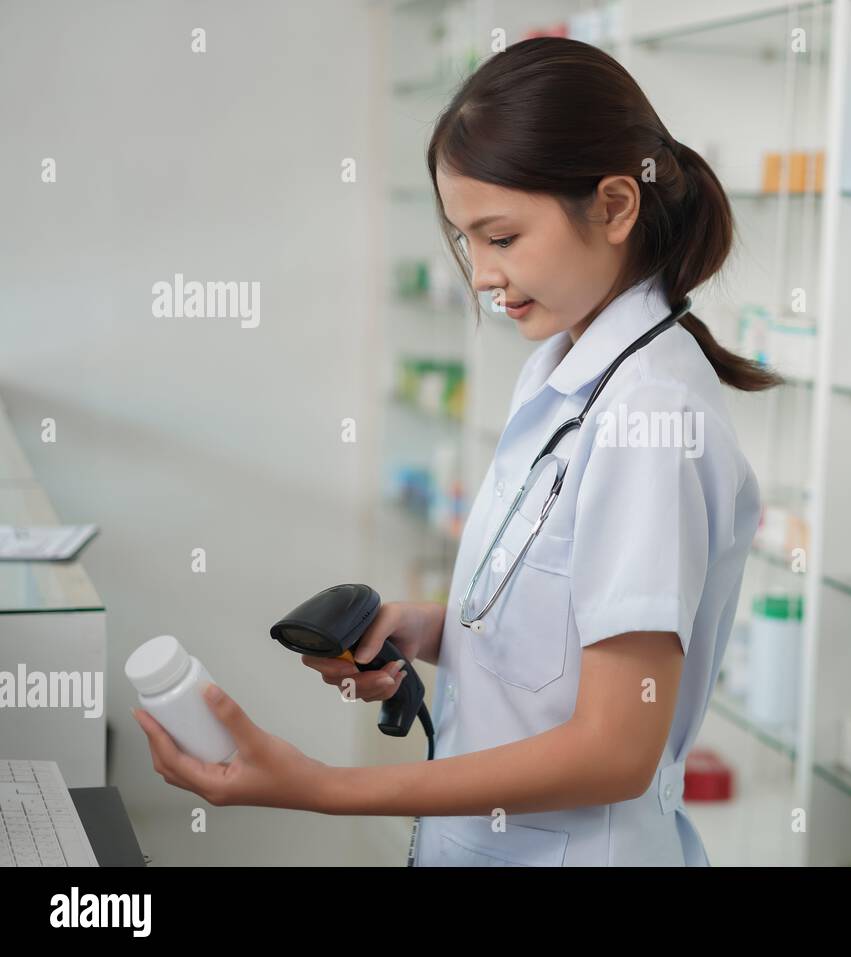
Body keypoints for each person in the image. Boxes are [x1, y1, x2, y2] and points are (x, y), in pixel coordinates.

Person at [135, 36, 781, 866]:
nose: (480, 273)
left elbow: (616, 749)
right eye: (465, 240)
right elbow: (567, 631)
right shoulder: (566, 367)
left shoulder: (647, 414)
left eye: (502, 237)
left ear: (617, 207)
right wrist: (435, 631)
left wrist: (321, 786)